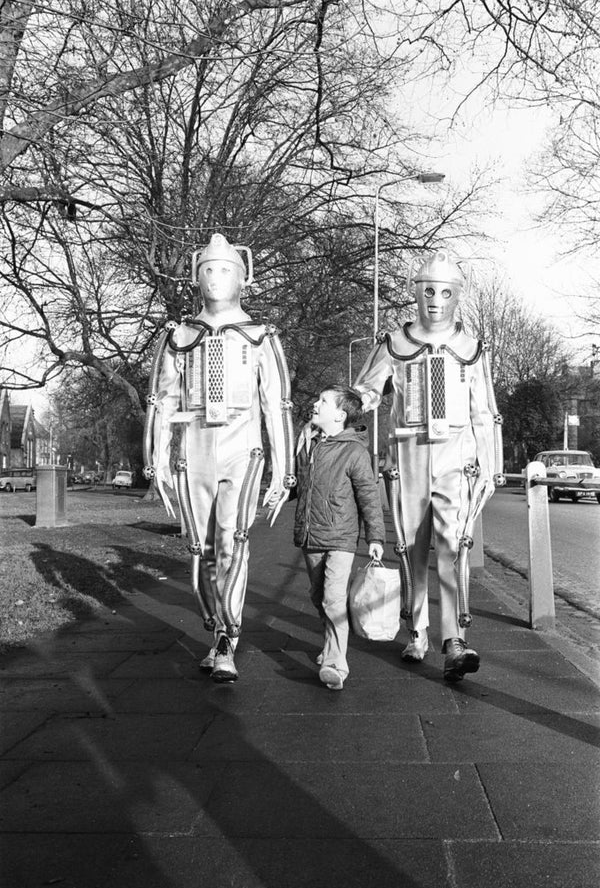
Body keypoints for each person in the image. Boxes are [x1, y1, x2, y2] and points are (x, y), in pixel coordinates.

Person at [143, 233, 295, 682]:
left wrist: (283, 470)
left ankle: (229, 635)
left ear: (242, 277)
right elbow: (161, 402)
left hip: (240, 450)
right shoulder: (180, 335)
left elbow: (277, 404)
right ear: (195, 275)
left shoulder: (260, 336)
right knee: (203, 549)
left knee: (234, 542)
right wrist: (158, 463)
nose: (215, 278)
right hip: (194, 451)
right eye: (208, 269)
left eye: (225, 269)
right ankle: (216, 631)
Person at [354, 251, 504, 681]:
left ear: (458, 297)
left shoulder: (471, 349)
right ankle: (416, 629)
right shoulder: (395, 344)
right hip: (408, 452)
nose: (435, 300)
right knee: (410, 545)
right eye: (427, 291)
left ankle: (454, 638)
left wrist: (490, 466)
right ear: (415, 294)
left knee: (453, 543)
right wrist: (354, 405)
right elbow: (367, 388)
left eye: (444, 293)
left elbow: (484, 411)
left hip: (456, 455)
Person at [294, 385, 385, 690]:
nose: (315, 404)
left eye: (322, 401)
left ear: (340, 415)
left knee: (333, 598)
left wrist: (375, 536)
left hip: (341, 538)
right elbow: (301, 486)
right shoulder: (308, 443)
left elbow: (369, 495)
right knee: (319, 597)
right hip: (311, 534)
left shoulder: (354, 451)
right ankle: (330, 644)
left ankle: (336, 663)